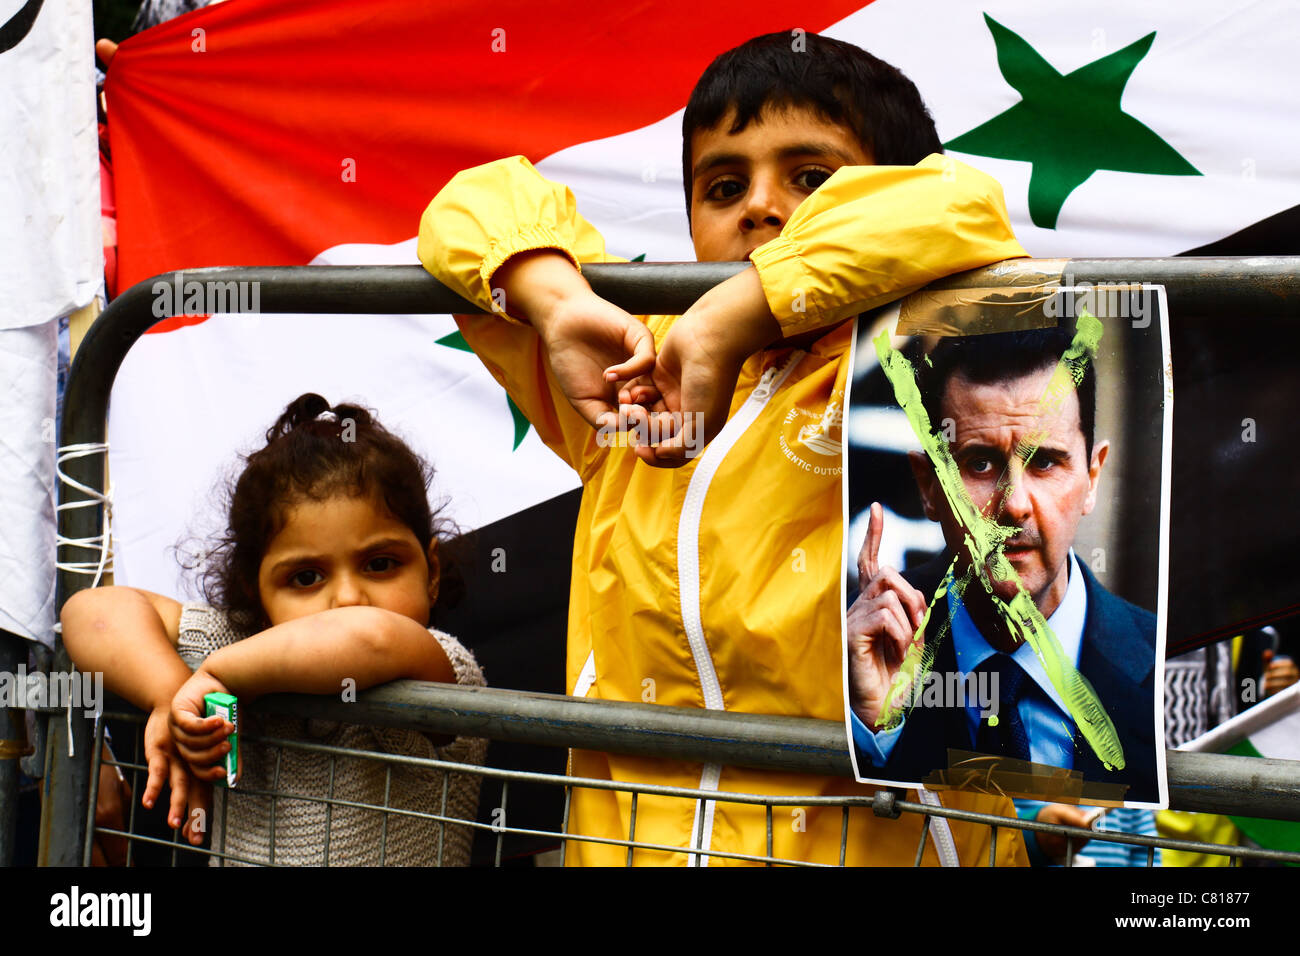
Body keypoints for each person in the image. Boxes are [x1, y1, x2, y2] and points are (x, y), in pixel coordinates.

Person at [419, 32, 1032, 865]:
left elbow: (958, 207)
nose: (758, 206)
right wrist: (560, 305)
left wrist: (744, 308)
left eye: (811, 178)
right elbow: (471, 205)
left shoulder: (919, 366)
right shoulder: (635, 371)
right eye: (723, 185)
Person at [62, 392, 486, 865]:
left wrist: (216, 675)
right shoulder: (242, 644)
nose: (347, 598)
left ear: (429, 572)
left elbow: (372, 636)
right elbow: (89, 611)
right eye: (306, 577)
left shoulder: (439, 663)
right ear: (257, 595)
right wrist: (171, 694)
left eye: (380, 564)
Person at [847, 325, 1160, 806]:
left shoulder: (1164, 666)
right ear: (928, 486)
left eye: (1046, 463)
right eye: (979, 464)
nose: (1013, 505)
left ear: (1092, 477)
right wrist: (875, 733)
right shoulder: (852, 654)